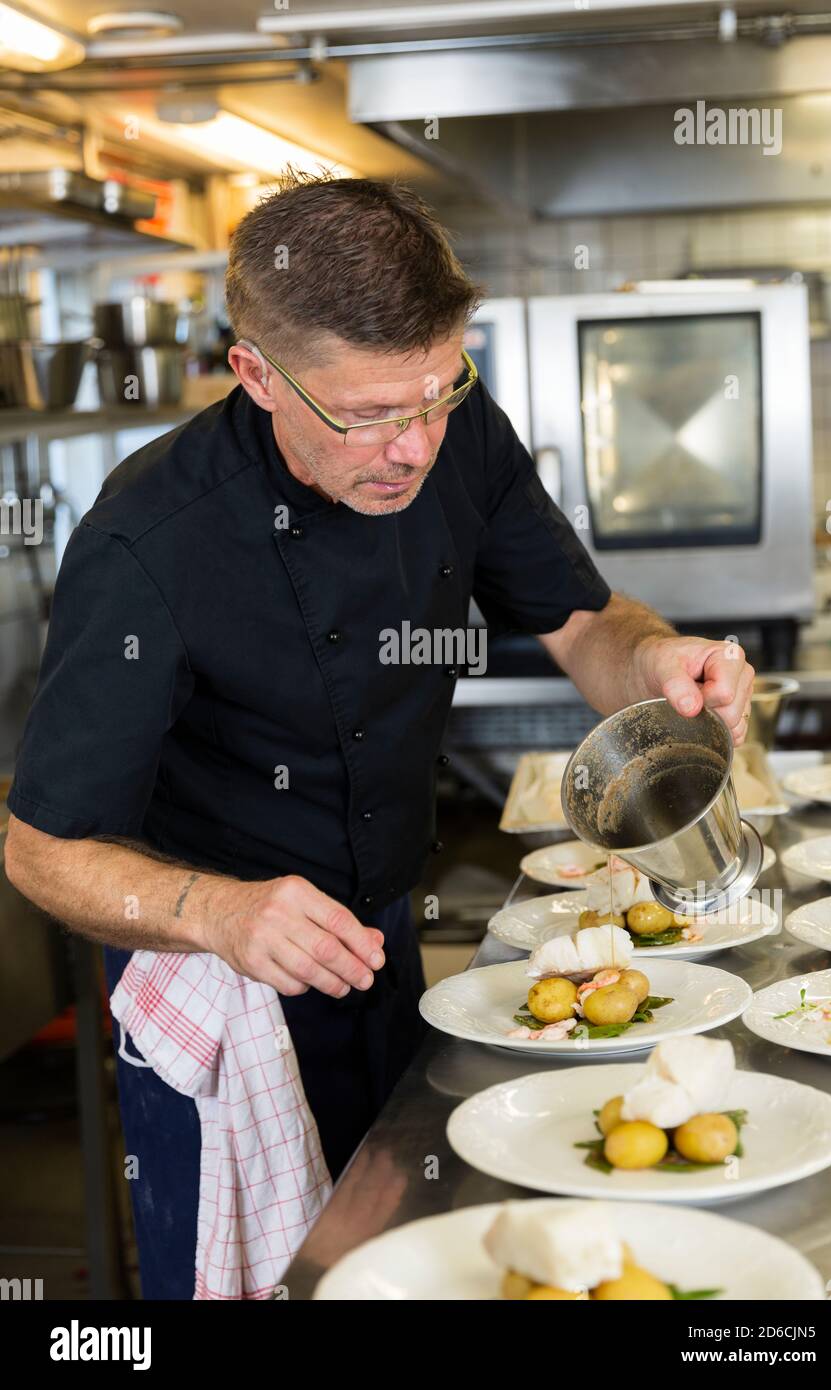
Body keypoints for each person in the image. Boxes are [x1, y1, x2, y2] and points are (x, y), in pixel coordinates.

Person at [4, 173, 753, 1298]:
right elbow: (39, 846)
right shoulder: (148, 540)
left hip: (388, 946)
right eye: (363, 415)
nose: (411, 447)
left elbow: (583, 619)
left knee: (399, 1261)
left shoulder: (455, 425)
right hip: (224, 980)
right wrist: (216, 907)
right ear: (255, 373)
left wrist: (648, 659)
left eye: (435, 393)